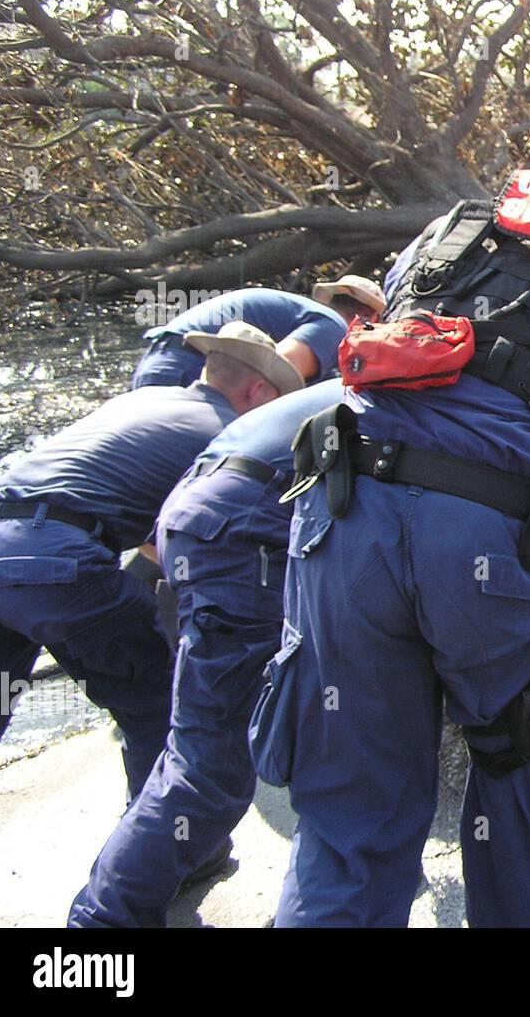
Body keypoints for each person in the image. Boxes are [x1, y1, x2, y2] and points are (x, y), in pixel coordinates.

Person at [263, 113, 530, 927]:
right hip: (491, 545)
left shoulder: (442, 236)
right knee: (510, 777)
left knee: (353, 811)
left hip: (344, 515)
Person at [68, 380, 345, 928]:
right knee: (211, 765)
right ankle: (103, 926)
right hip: (243, 533)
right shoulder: (457, 382)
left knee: (207, 748)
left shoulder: (378, 368)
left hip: (201, 517)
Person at [0, 322, 301, 798]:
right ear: (258, 390)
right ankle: (170, 849)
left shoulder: (144, 401)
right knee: (158, 701)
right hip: (56, 563)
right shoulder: (225, 438)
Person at [130, 282, 380, 390]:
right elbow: (275, 373)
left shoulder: (301, 312)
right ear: (370, 319)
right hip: (187, 367)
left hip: (162, 357)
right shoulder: (332, 326)